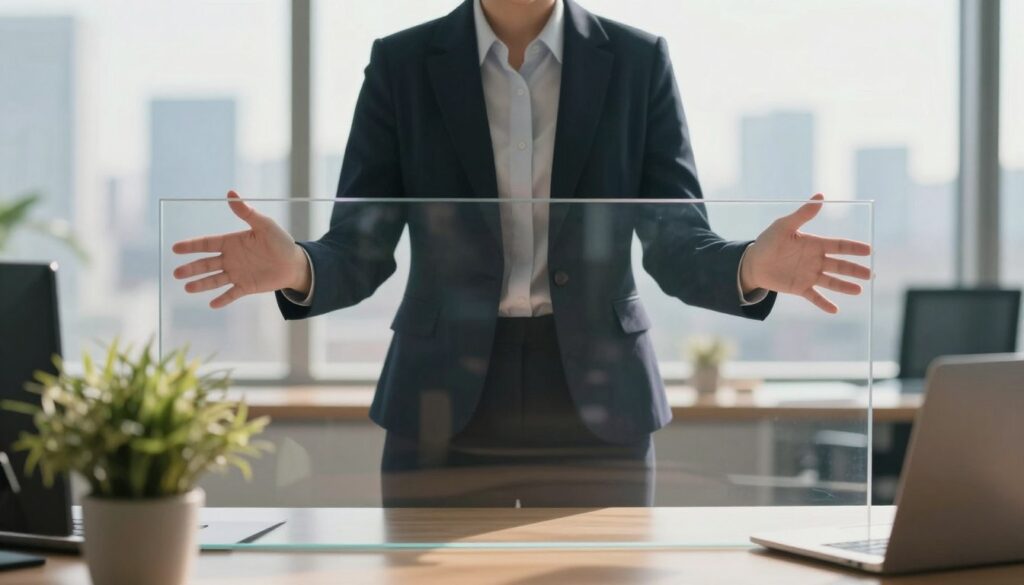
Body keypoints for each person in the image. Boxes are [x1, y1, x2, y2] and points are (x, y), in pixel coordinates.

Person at [172, 0, 871, 507]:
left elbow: (676, 240)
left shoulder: (635, 61)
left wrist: (750, 266)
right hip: (441, 405)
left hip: (598, 405)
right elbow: (360, 245)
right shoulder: (403, 64)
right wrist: (296, 267)